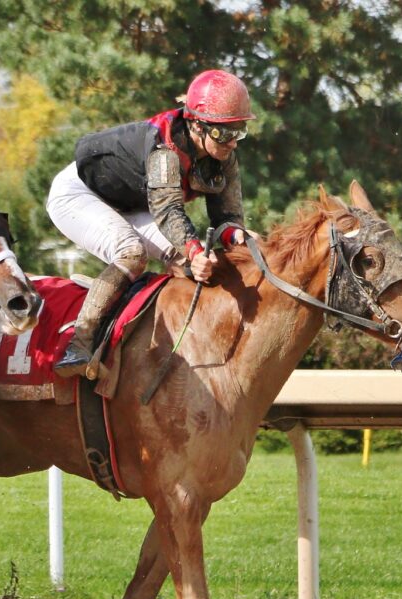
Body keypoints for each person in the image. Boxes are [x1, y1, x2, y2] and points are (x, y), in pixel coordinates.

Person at [46, 69, 254, 378]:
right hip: (79, 195)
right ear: (197, 124)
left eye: (239, 132)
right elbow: (168, 212)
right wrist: (197, 252)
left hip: (134, 203)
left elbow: (227, 219)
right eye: (224, 133)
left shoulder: (224, 154)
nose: (232, 143)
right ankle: (80, 342)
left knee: (185, 264)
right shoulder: (164, 149)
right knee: (132, 253)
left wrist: (240, 236)